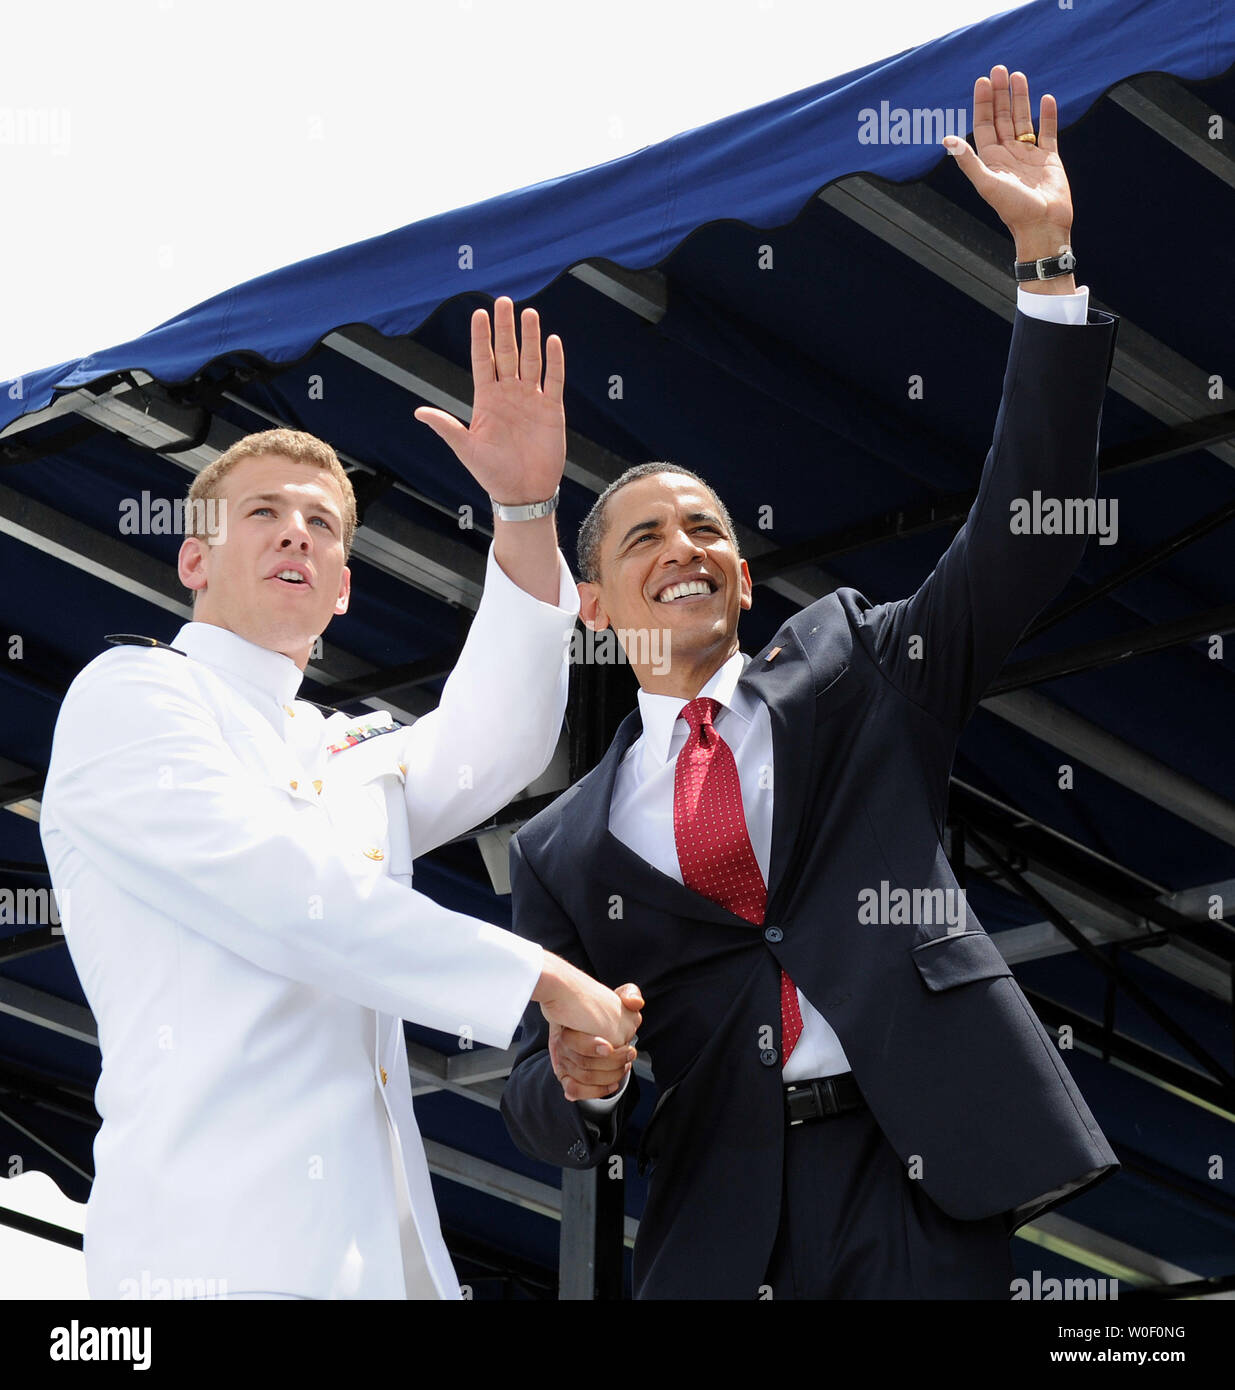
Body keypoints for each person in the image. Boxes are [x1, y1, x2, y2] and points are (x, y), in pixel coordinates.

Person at [499, 68, 1120, 1299]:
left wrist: (1044, 265)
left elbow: (1023, 534)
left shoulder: (855, 669)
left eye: (708, 532)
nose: (685, 548)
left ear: (740, 581)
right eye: (645, 539)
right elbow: (533, 1088)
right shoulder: (559, 848)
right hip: (719, 1227)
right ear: (599, 606)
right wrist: (587, 1077)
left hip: (917, 1180)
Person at [39, 298, 639, 1300]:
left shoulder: (339, 747)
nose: (296, 538)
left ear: (344, 588)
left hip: (388, 1264)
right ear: (193, 559)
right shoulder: (133, 695)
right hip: (211, 1260)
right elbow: (288, 897)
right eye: (264, 515)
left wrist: (527, 511)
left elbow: (496, 744)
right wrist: (537, 974)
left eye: (322, 525)